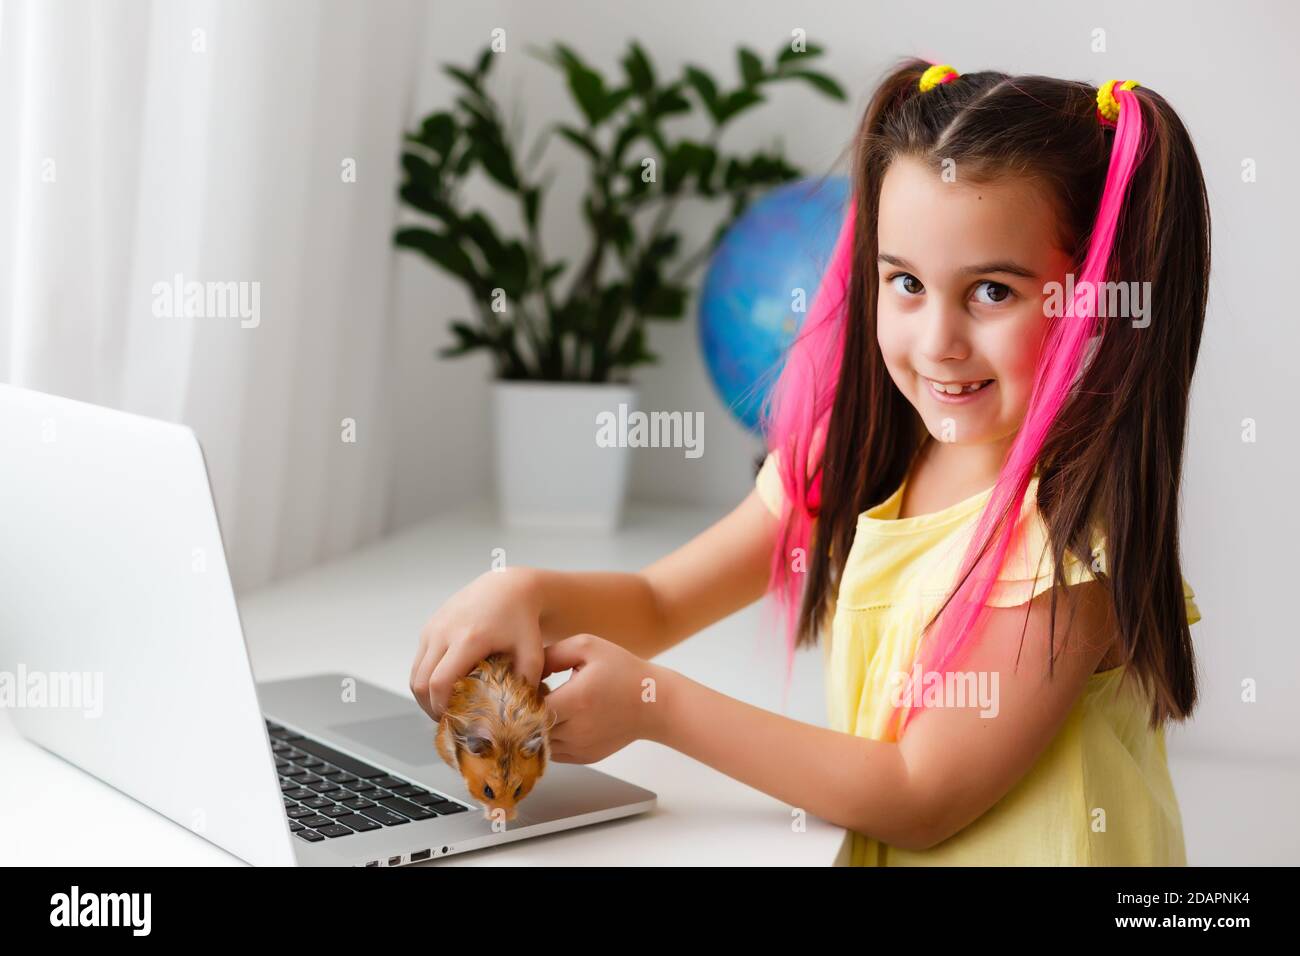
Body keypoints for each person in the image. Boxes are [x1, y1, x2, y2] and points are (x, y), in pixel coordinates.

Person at [410, 58, 1209, 865]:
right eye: (904, 281)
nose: (936, 341)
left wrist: (656, 705)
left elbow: (917, 794)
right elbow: (658, 603)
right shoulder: (858, 456)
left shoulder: (1067, 540)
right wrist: (527, 594)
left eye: (992, 291)